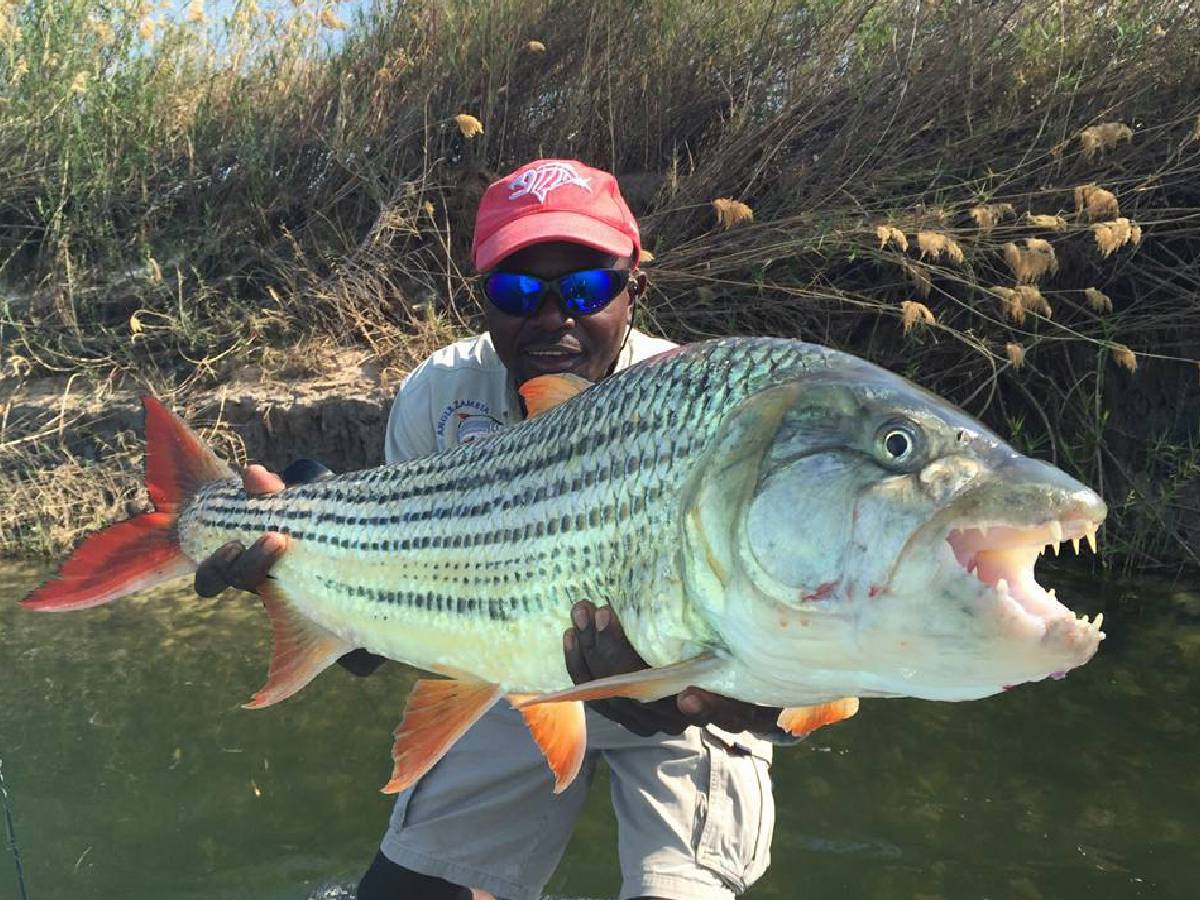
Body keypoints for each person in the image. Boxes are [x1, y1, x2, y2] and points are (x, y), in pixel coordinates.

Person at [195, 159, 789, 900]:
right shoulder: (439, 393)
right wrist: (308, 580)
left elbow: (793, 653)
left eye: (586, 288)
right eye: (517, 292)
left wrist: (734, 700)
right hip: (508, 674)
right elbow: (401, 620)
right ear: (484, 298)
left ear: (634, 287)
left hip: (685, 702)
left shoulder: (702, 406)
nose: (553, 316)